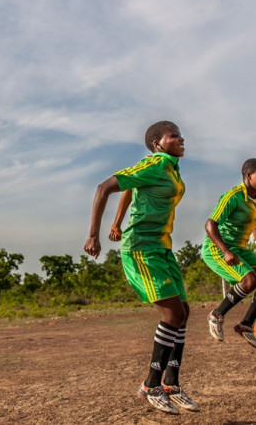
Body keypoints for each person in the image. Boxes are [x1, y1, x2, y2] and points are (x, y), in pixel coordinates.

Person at [85, 121, 199, 415]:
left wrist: (116, 222)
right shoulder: (155, 163)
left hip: (162, 247)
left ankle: (172, 384)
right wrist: (95, 234)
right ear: (157, 143)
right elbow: (105, 187)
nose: (181, 138)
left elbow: (130, 186)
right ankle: (151, 385)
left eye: (180, 134)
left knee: (183, 313)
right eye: (173, 135)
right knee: (173, 314)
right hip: (141, 249)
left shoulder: (170, 167)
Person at [203, 158, 256, 350]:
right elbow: (210, 224)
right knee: (250, 281)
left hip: (240, 248)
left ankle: (246, 325)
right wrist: (226, 251)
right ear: (248, 176)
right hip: (218, 248)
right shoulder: (233, 196)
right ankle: (216, 315)